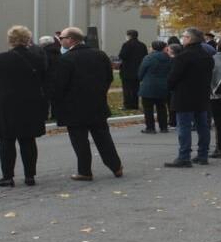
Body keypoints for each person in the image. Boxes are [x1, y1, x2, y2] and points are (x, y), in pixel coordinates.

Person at [52, 27, 123, 181]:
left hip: (74, 107)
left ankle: (84, 171)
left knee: (79, 140)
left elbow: (60, 85)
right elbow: (109, 77)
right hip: (97, 103)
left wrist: (58, 102)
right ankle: (116, 166)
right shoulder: (100, 54)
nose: (60, 40)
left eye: (62, 37)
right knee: (103, 137)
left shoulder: (66, 59)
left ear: (71, 39)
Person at [0, 26, 47, 186]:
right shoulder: (38, 58)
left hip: (6, 104)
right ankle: (30, 175)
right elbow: (45, 79)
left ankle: (8, 176)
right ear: (27, 39)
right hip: (30, 103)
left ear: (10, 40)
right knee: (28, 140)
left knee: (6, 140)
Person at [164, 28, 214, 167]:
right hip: (202, 95)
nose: (182, 38)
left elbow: (173, 77)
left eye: (184, 36)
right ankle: (203, 155)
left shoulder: (183, 56)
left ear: (190, 39)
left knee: (184, 127)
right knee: (202, 126)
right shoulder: (207, 56)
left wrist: (170, 88)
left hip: (184, 96)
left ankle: (184, 156)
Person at [137, 40, 171, 134]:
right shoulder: (168, 58)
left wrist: (140, 78)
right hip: (163, 86)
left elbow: (141, 71)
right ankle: (163, 127)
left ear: (153, 47)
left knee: (148, 108)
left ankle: (150, 127)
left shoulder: (148, 57)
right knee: (162, 107)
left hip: (149, 86)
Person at [118, 29, 148, 111]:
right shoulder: (142, 45)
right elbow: (145, 56)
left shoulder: (126, 44)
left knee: (127, 89)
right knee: (136, 88)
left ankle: (127, 105)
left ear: (129, 36)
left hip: (127, 70)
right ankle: (135, 104)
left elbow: (122, 55)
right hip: (138, 70)